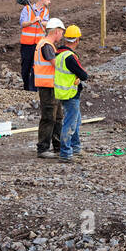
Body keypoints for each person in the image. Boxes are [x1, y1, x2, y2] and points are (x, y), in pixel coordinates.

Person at [53, 24, 90, 162]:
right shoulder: (69, 57)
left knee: (76, 120)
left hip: (63, 92)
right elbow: (84, 75)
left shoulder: (59, 53)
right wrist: (79, 77)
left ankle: (75, 147)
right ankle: (66, 153)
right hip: (70, 94)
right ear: (76, 40)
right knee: (70, 123)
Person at [34, 18, 65, 158]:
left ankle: (58, 146)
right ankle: (43, 148)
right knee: (48, 117)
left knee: (57, 117)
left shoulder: (48, 45)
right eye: (62, 33)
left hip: (53, 87)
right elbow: (56, 64)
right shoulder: (46, 45)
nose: (62, 36)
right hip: (47, 87)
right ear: (57, 31)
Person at [18, 0, 51, 91]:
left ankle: (33, 90)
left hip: (38, 45)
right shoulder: (27, 9)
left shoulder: (45, 11)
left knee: (36, 67)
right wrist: (32, 21)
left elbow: (47, 23)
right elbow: (22, 23)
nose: (49, 0)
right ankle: (26, 88)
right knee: (25, 68)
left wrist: (42, 21)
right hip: (27, 45)